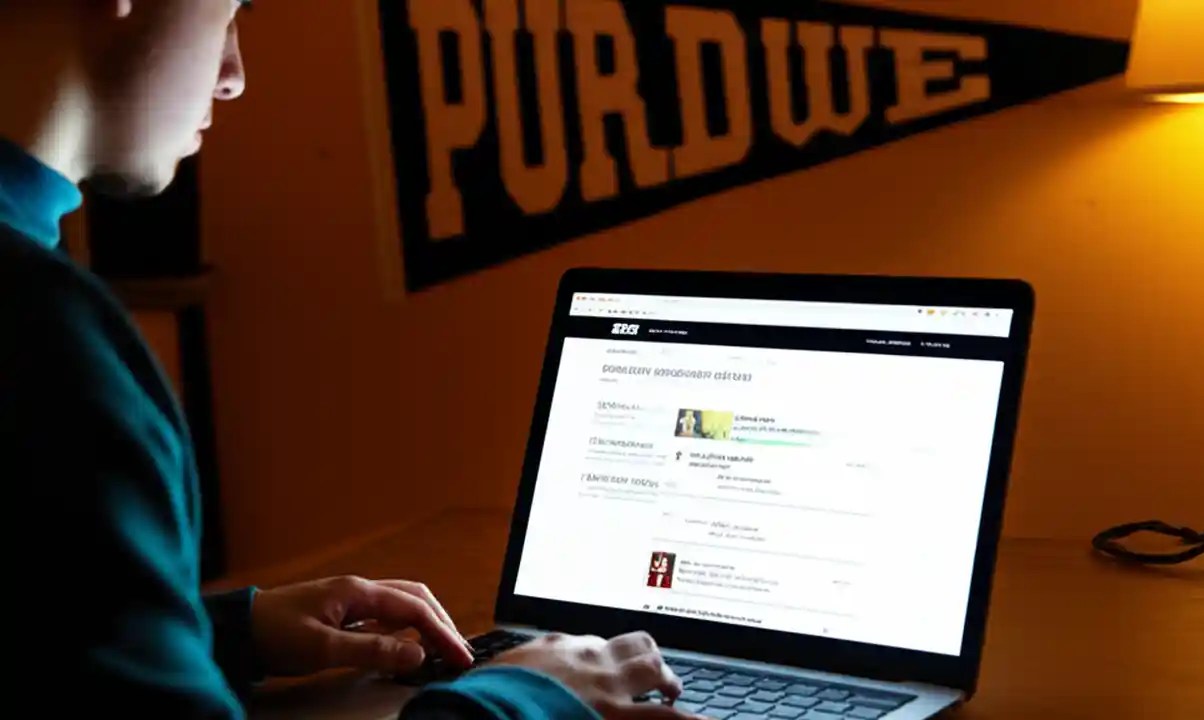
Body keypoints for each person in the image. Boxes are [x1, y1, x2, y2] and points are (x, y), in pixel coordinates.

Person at [0, 3, 697, 719]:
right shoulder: (43, 335)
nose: (235, 76)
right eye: (228, 11)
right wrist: (527, 699)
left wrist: (220, 634)